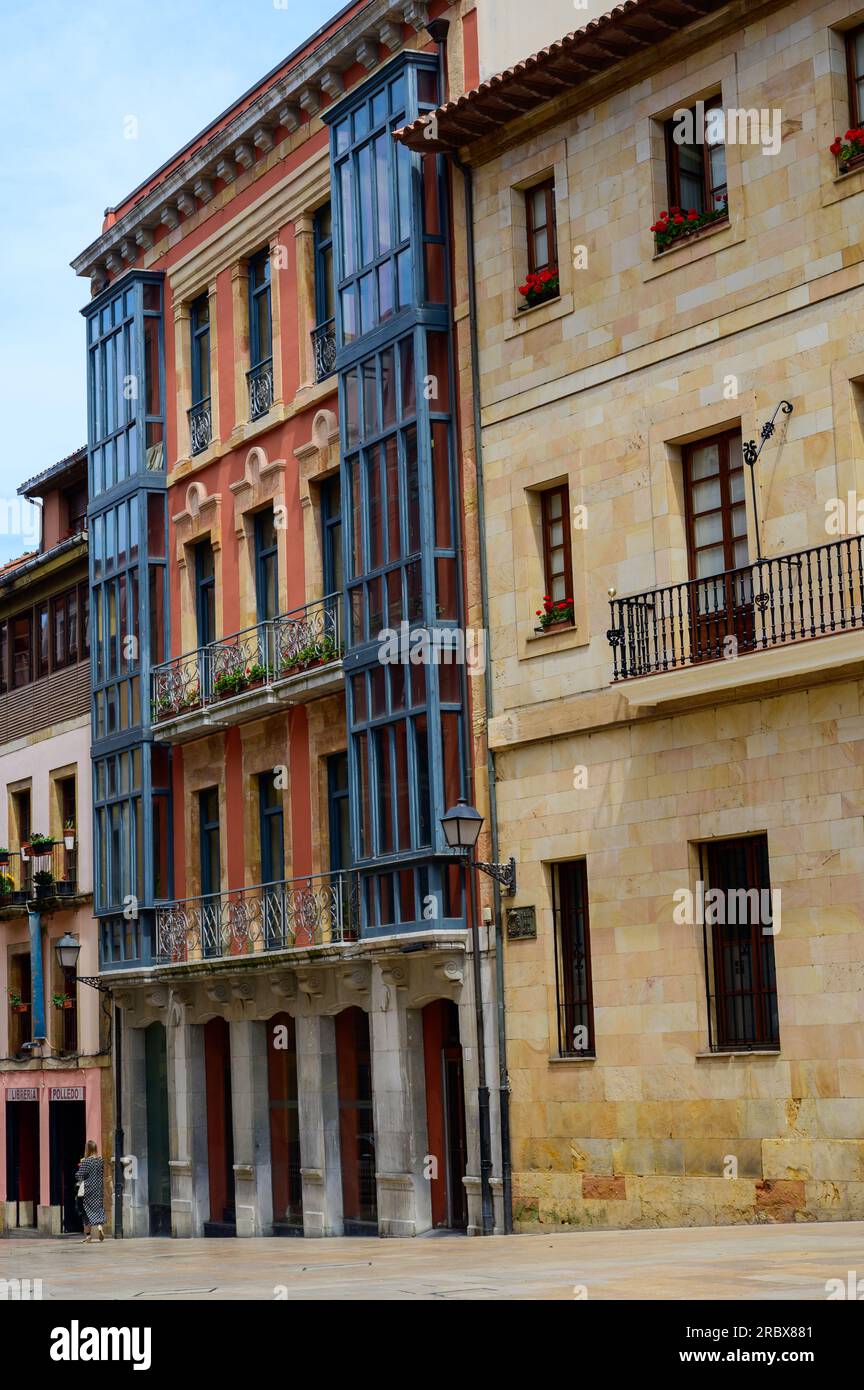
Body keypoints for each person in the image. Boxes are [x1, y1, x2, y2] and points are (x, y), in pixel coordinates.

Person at [75, 1140, 105, 1243]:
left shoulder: (87, 1161)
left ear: (88, 1149)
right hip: (98, 1190)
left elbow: (79, 1175)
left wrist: (80, 1166)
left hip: (87, 1190)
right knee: (97, 1209)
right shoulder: (100, 1160)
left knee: (85, 1212)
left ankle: (88, 1236)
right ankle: (100, 1226)